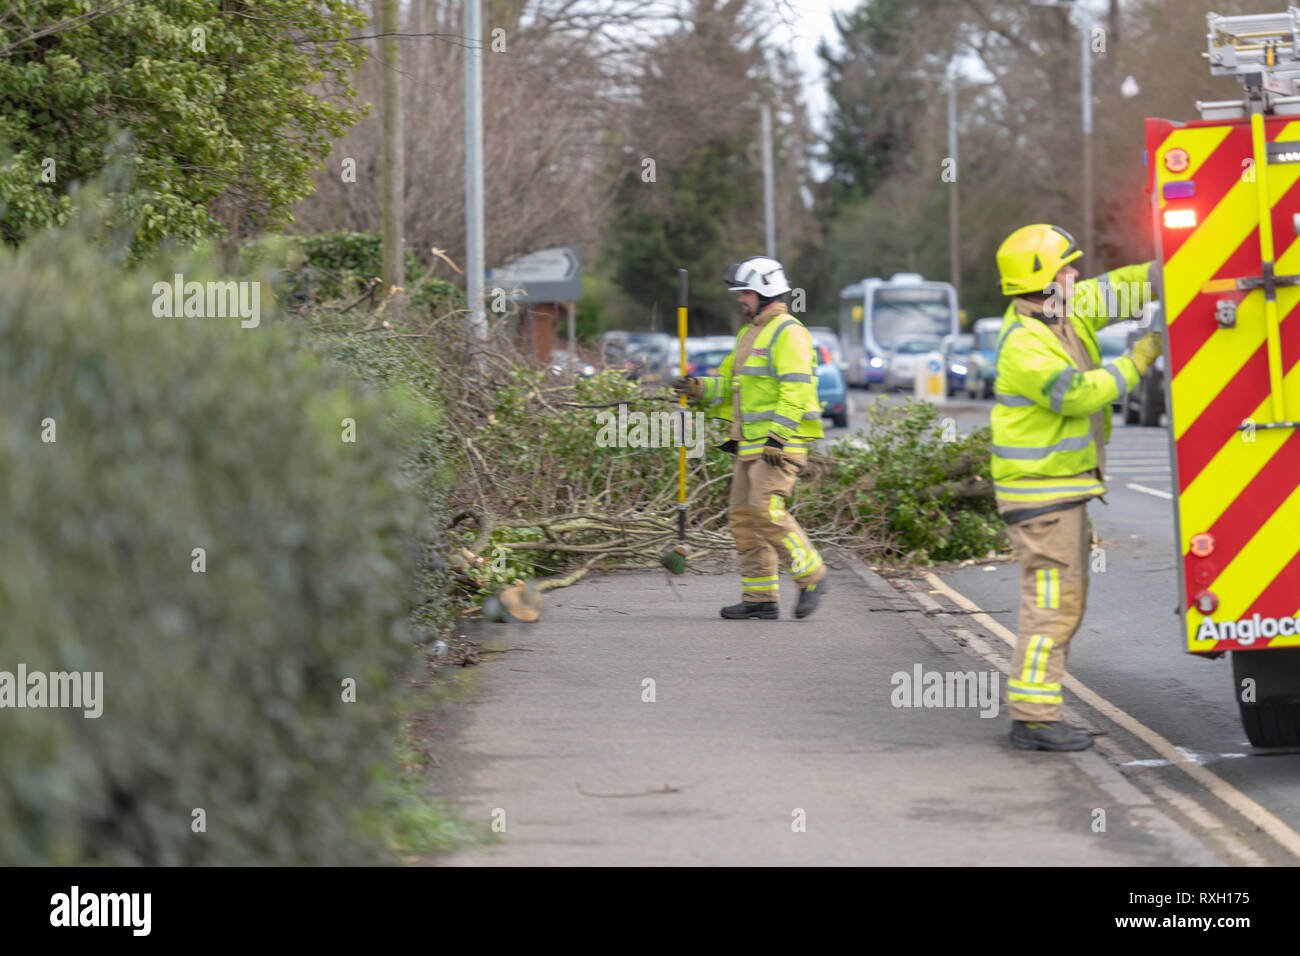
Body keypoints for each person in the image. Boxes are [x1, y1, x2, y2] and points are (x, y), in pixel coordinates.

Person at [992, 224, 1164, 751]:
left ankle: (1037, 712)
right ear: (1044, 279)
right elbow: (1080, 395)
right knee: (1052, 607)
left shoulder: (1061, 313)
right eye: (1067, 267)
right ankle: (1034, 719)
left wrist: (1172, 270)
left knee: (1064, 603)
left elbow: (1123, 287)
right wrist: (1140, 357)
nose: (1076, 274)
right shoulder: (1025, 346)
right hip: (1040, 500)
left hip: (1057, 496)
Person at [672, 256, 828, 620]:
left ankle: (812, 575)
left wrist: (777, 437)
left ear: (764, 291)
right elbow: (729, 386)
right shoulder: (749, 334)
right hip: (749, 444)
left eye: (745, 292)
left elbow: (796, 389)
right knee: (743, 517)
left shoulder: (789, 332)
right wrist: (697, 388)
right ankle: (761, 598)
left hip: (777, 444)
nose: (740, 299)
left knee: (766, 511)